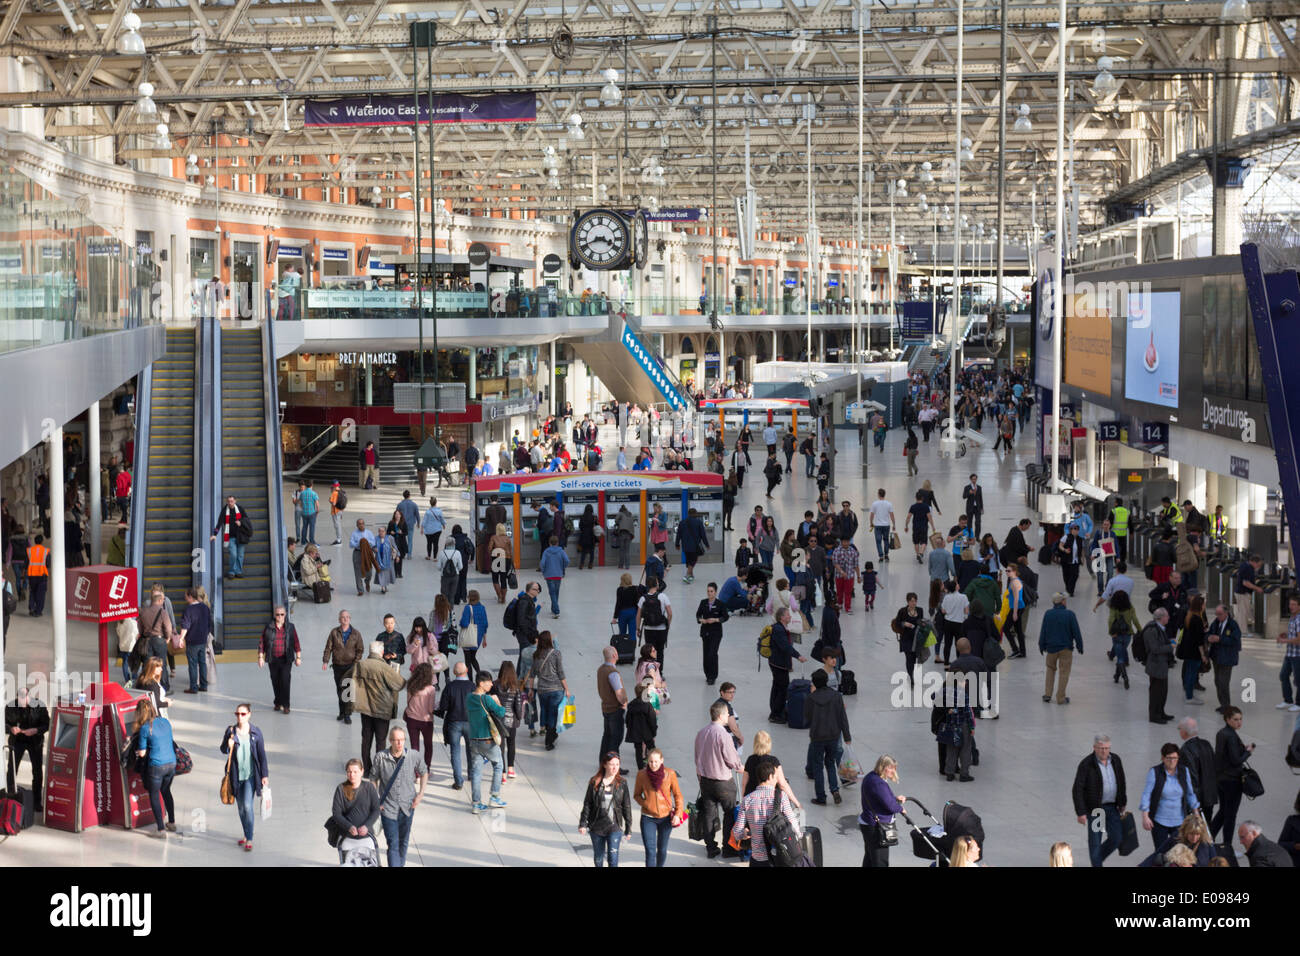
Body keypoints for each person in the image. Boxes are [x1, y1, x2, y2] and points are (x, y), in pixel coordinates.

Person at [695, 700, 744, 859]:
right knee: (729, 813)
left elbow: (697, 758)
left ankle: (711, 847)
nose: (729, 716)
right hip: (723, 782)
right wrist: (739, 766)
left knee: (709, 814)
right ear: (721, 715)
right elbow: (732, 761)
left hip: (706, 781)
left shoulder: (701, 732)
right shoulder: (724, 735)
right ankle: (728, 848)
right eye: (727, 714)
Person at [371, 726, 427, 865]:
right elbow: (373, 778)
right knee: (393, 844)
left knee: (403, 842)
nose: (399, 743)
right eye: (396, 740)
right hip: (388, 808)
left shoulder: (413, 755)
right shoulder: (381, 757)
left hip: (407, 807)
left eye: (401, 740)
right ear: (390, 741)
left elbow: (424, 771)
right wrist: (376, 800)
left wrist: (421, 794)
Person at [730, 758, 801, 866]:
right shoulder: (781, 796)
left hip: (758, 858)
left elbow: (737, 832)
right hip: (779, 855)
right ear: (770, 776)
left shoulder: (747, 799)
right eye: (776, 777)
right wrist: (798, 835)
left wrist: (744, 834)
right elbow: (793, 823)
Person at [352, 640, 407, 777]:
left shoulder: (360, 665)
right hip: (382, 709)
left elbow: (352, 684)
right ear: (381, 652)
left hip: (365, 708)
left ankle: (367, 768)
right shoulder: (385, 668)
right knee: (380, 741)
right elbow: (399, 684)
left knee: (366, 739)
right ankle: (379, 769)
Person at [1072, 734, 1129, 867]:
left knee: (1116, 838)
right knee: (1095, 842)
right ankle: (1097, 862)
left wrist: (1122, 801)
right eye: (1101, 748)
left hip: (1112, 807)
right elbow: (1077, 789)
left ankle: (1096, 860)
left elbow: (1121, 781)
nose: (1104, 751)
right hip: (1096, 809)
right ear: (1094, 748)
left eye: (1107, 748)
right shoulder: (1086, 764)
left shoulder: (1115, 760)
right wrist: (1081, 812)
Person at [219, 703, 269, 851]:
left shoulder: (256, 733)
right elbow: (222, 749)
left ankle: (250, 838)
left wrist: (265, 775)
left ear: (249, 715)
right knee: (241, 808)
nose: (240, 717)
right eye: (237, 714)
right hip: (236, 775)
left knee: (247, 805)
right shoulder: (231, 731)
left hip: (250, 776)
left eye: (243, 714)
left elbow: (262, 755)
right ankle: (246, 835)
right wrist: (228, 745)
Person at [1139, 743, 1201, 849]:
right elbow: (1147, 794)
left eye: (1175, 758)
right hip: (1160, 821)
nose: (1172, 761)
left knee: (1179, 853)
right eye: (1169, 758)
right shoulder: (1155, 772)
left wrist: (1196, 813)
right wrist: (1145, 816)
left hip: (1180, 821)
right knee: (1161, 853)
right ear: (1163, 758)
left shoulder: (1184, 771)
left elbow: (1190, 794)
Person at [578, 751, 634, 867]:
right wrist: (583, 823)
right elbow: (588, 803)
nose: (615, 767)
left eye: (617, 764)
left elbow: (627, 806)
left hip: (614, 826)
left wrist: (628, 828)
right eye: (612, 764)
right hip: (597, 826)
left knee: (613, 859)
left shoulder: (622, 783)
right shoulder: (595, 782)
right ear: (605, 765)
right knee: (598, 859)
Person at [805, 668, 852, 806]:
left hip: (817, 736)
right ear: (826, 681)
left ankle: (821, 797)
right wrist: (847, 736)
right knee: (830, 763)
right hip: (833, 735)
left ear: (814, 683)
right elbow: (843, 717)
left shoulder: (811, 698)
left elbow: (807, 718)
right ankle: (835, 789)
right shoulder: (836, 696)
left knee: (818, 766)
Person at [1210, 706, 1254, 849]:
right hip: (1232, 781)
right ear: (1227, 719)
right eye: (1235, 719)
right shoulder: (1231, 736)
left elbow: (1221, 757)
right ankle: (1227, 845)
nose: (1239, 722)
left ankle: (1208, 837)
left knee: (1223, 811)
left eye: (1240, 719)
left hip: (1221, 779)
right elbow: (1235, 760)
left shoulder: (1221, 733)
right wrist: (1248, 752)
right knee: (1230, 815)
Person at [131, 699, 176, 837]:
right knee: (166, 790)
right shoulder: (165, 722)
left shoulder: (145, 728)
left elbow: (143, 753)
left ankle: (161, 830)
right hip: (172, 763)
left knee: (154, 795)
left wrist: (136, 750)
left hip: (156, 766)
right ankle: (172, 823)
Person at [633, 748, 685, 867]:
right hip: (648, 818)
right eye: (650, 762)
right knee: (650, 851)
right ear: (647, 761)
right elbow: (636, 795)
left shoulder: (670, 773)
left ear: (662, 760)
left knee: (662, 850)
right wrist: (647, 804)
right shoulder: (642, 774)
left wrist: (678, 814)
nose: (653, 764)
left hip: (666, 818)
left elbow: (678, 795)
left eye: (656, 761)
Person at [466, 669, 508, 814]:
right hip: (487, 740)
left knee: (476, 772)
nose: (491, 684)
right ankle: (495, 796)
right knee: (498, 765)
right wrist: (496, 701)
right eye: (489, 682)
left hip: (473, 740)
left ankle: (476, 804)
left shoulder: (469, 698)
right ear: (481, 683)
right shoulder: (486, 699)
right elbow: (501, 712)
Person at [859, 754, 906, 868]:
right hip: (877, 827)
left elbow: (879, 797)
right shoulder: (879, 783)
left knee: (870, 859)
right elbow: (890, 806)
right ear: (883, 767)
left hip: (868, 823)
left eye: (894, 768)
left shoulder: (871, 777)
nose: (893, 771)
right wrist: (900, 808)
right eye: (890, 768)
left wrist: (894, 798)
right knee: (880, 862)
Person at [5, 685, 48, 808]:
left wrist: (35, 730)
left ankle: (36, 802)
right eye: (20, 699)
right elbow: (3, 723)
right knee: (12, 770)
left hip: (34, 741)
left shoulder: (39, 706)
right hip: (17, 740)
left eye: (25, 698)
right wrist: (11, 729)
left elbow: (47, 724)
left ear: (29, 696)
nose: (22, 701)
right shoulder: (11, 706)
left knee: (37, 771)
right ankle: (11, 798)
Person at [1038, 593, 1083, 705]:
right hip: (1066, 648)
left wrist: (1041, 645)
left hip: (1051, 648)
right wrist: (1079, 645)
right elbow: (1076, 631)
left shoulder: (1048, 614)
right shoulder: (1070, 615)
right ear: (1062, 601)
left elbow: (1043, 630)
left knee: (1050, 669)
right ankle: (1060, 698)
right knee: (1064, 673)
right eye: (1065, 600)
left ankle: (1048, 694)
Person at [257, 606, 301, 714]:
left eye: (282, 614)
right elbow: (262, 643)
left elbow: (296, 642)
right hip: (273, 659)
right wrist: (260, 657)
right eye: (277, 614)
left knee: (285, 681)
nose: (280, 617)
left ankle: (286, 705)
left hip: (286, 659)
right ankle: (277, 702)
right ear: (274, 615)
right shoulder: (268, 627)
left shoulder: (290, 627)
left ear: (285, 615)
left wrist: (298, 657)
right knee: (275, 681)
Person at [530, 630, 569, 749]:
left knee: (545, 711)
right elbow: (560, 673)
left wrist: (531, 689)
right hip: (556, 689)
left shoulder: (536, 655)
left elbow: (532, 674)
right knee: (553, 713)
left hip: (542, 690)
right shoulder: (556, 653)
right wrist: (566, 688)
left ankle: (550, 733)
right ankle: (549, 740)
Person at [767, 607, 806, 723]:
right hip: (779, 664)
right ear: (782, 617)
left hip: (775, 662)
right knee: (783, 689)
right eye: (788, 615)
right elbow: (785, 647)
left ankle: (775, 711)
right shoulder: (779, 630)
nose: (790, 616)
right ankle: (776, 714)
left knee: (777, 687)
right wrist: (798, 656)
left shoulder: (779, 627)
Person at [331, 758, 381, 849]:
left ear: (362, 771)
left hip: (367, 836)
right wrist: (349, 827)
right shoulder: (341, 789)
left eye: (355, 772)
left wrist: (366, 826)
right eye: (349, 772)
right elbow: (336, 813)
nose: (352, 775)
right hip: (347, 837)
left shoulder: (369, 787)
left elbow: (376, 809)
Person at [595, 645, 629, 767]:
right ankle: (613, 766)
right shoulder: (612, 673)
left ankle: (602, 762)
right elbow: (619, 692)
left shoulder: (601, 669)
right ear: (614, 655)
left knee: (607, 736)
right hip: (615, 709)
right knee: (615, 739)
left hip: (606, 707)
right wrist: (624, 702)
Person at [1205, 603, 1242, 714]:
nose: (1218, 616)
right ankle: (1222, 704)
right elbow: (1208, 633)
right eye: (1217, 614)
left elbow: (1235, 640)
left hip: (1227, 658)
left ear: (1226, 613)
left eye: (1220, 614)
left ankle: (1227, 706)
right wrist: (1209, 637)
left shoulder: (1233, 625)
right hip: (1216, 657)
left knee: (1223, 682)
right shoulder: (1216, 623)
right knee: (1217, 681)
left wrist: (1220, 639)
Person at [1142, 607, 1176, 724]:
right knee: (1156, 692)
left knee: (1163, 691)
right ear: (1161, 618)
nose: (1169, 617)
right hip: (1155, 665)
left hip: (1162, 665)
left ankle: (1161, 712)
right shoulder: (1152, 630)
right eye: (1167, 616)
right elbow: (1155, 649)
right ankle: (1154, 715)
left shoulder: (1160, 628)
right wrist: (1170, 647)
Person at [402, 662, 437, 773]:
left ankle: (416, 771)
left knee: (414, 746)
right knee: (428, 745)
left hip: (411, 719)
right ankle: (426, 769)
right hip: (426, 721)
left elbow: (408, 701)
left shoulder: (411, 685)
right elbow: (431, 709)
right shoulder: (431, 689)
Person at [176, 587, 212, 693]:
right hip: (202, 640)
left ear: (190, 597)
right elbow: (209, 624)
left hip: (192, 641)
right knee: (202, 663)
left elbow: (185, 626)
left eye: (186, 596)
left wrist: (181, 639)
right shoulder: (205, 608)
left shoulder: (188, 609)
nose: (184, 598)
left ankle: (193, 687)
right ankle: (204, 685)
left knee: (192, 664)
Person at [210, 494, 252, 579]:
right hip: (231, 537)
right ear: (227, 502)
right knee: (233, 554)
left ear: (235, 501)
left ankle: (238, 571)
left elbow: (247, 520)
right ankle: (232, 571)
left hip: (241, 536)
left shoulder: (240, 509)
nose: (230, 503)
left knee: (240, 555)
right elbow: (219, 523)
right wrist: (214, 534)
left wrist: (241, 523)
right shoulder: (224, 510)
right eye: (228, 501)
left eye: (232, 501)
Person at [696, 582, 730, 686]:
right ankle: (707, 674)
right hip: (705, 632)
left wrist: (715, 619)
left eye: (711, 591)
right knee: (706, 654)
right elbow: (698, 615)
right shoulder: (703, 602)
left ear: (715, 592)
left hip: (716, 632)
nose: (709, 593)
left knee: (712, 653)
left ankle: (713, 676)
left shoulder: (720, 604)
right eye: (708, 591)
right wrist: (702, 620)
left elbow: (726, 617)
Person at [636, 577, 673, 673]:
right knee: (660, 652)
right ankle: (659, 673)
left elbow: (639, 615)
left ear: (647, 585)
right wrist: (667, 625)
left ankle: (650, 672)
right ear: (657, 585)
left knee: (649, 652)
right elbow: (670, 613)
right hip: (661, 629)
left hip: (648, 629)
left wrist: (638, 628)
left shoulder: (643, 598)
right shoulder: (663, 596)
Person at [1106, 590, 1140, 690]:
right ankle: (1116, 676)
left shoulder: (1113, 607)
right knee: (1121, 652)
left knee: (1120, 658)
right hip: (1127, 635)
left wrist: (1111, 632)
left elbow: (1110, 620)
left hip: (1117, 635)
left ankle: (1125, 677)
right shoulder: (1130, 608)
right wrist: (1140, 630)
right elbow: (1135, 620)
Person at [625, 679, 658, 770]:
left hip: (635, 732)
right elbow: (652, 719)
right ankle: (654, 765)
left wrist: (629, 728)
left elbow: (627, 719)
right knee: (652, 748)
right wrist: (654, 730)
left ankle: (640, 768)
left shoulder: (631, 705)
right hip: (647, 731)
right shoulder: (648, 705)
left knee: (638, 750)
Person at [539, 534, 570, 619]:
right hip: (558, 575)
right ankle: (553, 608)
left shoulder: (546, 551)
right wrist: (562, 567)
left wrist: (543, 570)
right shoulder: (561, 551)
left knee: (552, 593)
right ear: (557, 543)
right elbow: (567, 561)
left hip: (549, 576)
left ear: (549, 543)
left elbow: (542, 563)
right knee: (556, 593)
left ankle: (556, 611)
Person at [676, 507, 709, 584]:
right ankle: (687, 575)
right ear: (695, 514)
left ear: (688, 514)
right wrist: (706, 544)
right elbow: (703, 535)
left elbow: (678, 534)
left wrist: (677, 544)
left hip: (685, 546)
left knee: (689, 560)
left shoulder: (682, 522)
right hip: (695, 546)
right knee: (693, 560)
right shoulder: (698, 522)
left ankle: (691, 575)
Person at [894, 592, 923, 681]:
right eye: (912, 601)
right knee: (909, 657)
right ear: (908, 601)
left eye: (915, 601)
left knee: (914, 658)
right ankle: (911, 676)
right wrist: (904, 623)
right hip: (906, 638)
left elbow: (921, 621)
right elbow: (897, 623)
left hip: (916, 639)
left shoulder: (920, 610)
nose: (914, 603)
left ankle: (912, 673)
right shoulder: (902, 611)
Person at [349, 518, 377, 596]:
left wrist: (365, 542)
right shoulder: (354, 533)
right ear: (357, 525)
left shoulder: (369, 533)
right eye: (359, 524)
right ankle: (360, 590)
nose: (361, 525)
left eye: (362, 523)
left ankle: (367, 581)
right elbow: (351, 544)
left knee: (369, 571)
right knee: (357, 572)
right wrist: (360, 543)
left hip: (367, 553)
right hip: (358, 553)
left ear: (364, 524)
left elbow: (373, 542)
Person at [905, 492, 933, 564]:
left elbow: (908, 517)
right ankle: (921, 553)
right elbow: (929, 517)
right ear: (922, 498)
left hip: (915, 526)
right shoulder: (926, 506)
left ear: (916, 498)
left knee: (916, 541)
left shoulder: (913, 506)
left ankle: (917, 554)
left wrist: (906, 526)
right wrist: (933, 526)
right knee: (924, 542)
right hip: (924, 526)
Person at [868, 489, 895, 561]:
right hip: (886, 525)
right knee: (886, 540)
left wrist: (871, 523)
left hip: (877, 525)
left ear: (878, 494)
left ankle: (881, 556)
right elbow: (892, 515)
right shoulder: (889, 504)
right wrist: (894, 524)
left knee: (878, 541)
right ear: (884, 494)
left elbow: (872, 515)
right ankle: (886, 554)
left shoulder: (874, 504)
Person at [328, 481, 345, 545]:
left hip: (335, 511)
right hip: (340, 510)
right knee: (339, 525)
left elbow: (334, 503)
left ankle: (338, 539)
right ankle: (339, 538)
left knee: (337, 526)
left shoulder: (334, 493)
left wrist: (330, 500)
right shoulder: (342, 491)